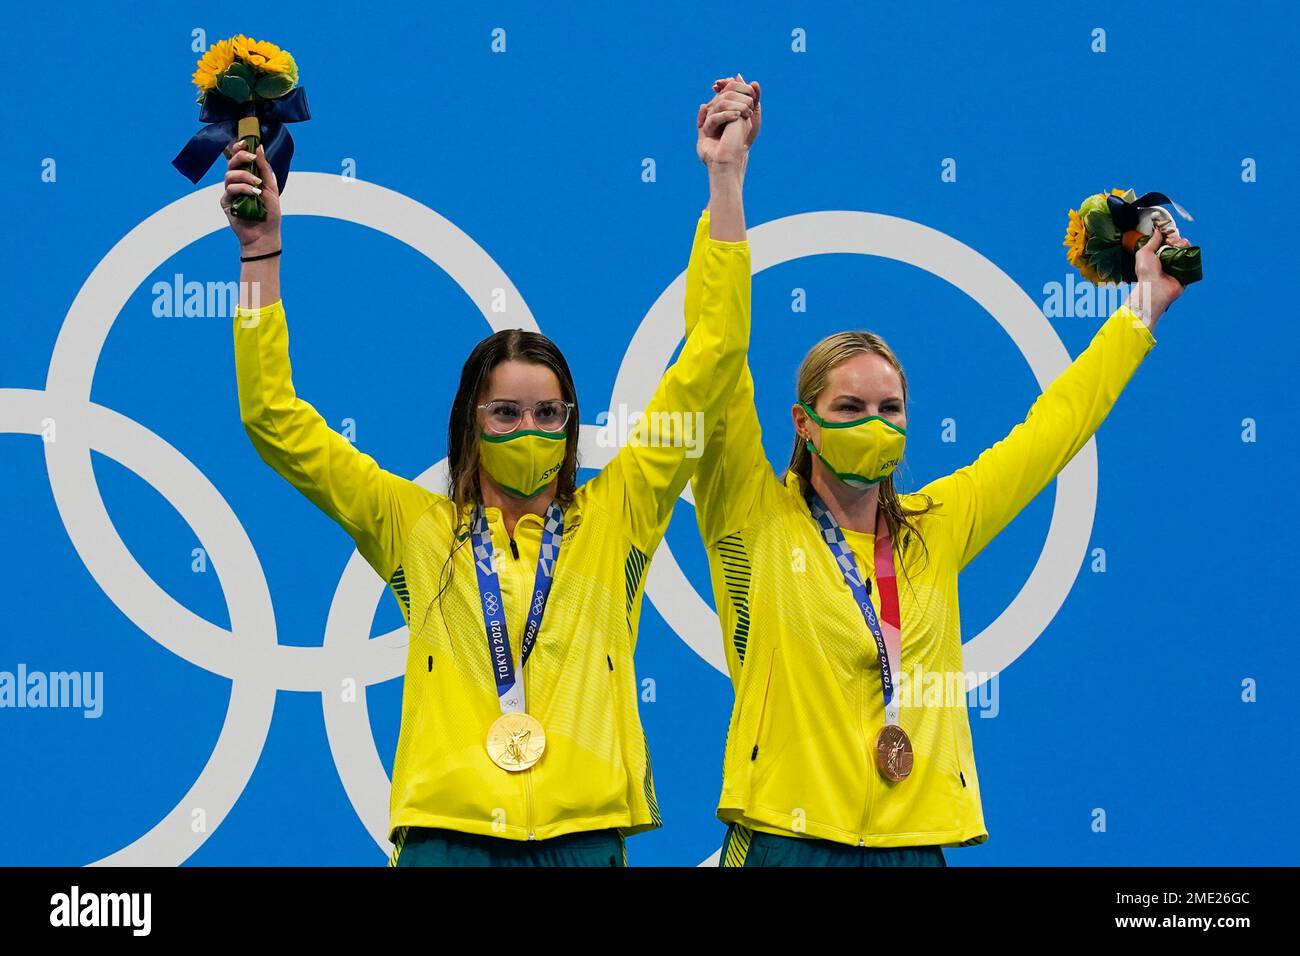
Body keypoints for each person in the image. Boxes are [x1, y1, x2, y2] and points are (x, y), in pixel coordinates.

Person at [220, 82, 756, 866]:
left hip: (584, 837)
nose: (528, 430)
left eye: (547, 415)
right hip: (448, 841)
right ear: (471, 422)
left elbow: (713, 355)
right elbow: (274, 420)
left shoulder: (624, 511)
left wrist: (726, 180)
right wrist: (259, 253)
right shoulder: (412, 523)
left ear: (571, 425)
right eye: (506, 413)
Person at [685, 87, 1193, 865]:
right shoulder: (747, 510)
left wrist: (1143, 311)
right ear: (803, 422)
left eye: (891, 408)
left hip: (919, 843)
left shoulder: (937, 527)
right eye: (849, 405)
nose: (875, 422)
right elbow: (717, 352)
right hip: (784, 841)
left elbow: (1055, 429)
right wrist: (726, 182)